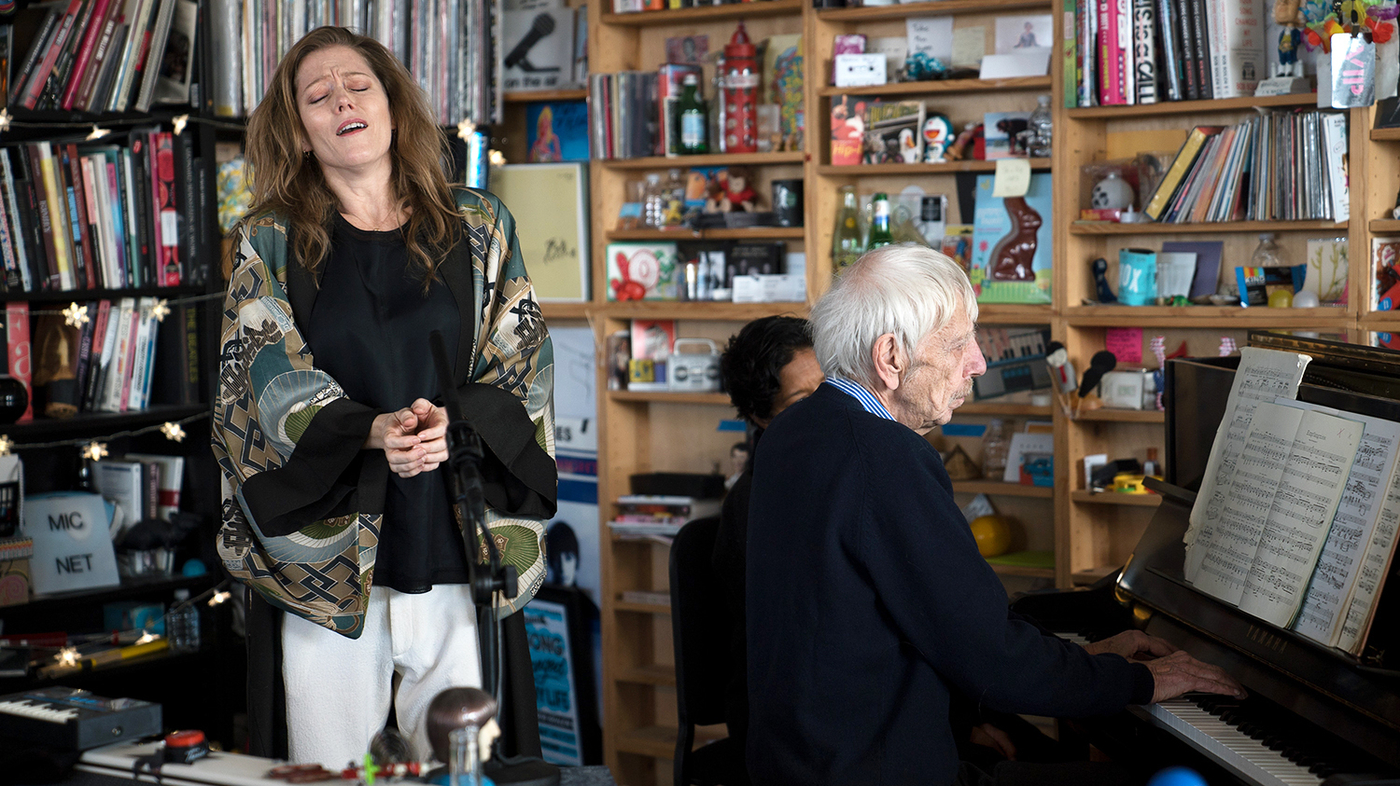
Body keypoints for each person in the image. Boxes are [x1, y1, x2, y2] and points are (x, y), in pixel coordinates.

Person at [745, 245, 1245, 786]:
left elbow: (927, 625)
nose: (979, 363)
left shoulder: (794, 432)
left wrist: (1087, 656)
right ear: (891, 358)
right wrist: (1140, 682)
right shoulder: (885, 460)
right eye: (960, 342)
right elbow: (991, 661)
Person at [211, 26, 557, 767]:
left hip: (456, 540)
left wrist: (450, 426)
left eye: (358, 85)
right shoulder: (266, 240)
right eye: (318, 95)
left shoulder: (480, 224)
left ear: (394, 107)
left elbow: (520, 355)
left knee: (457, 771)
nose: (342, 100)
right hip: (327, 566)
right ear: (300, 132)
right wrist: (371, 431)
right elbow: (258, 376)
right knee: (332, 775)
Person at [711, 315, 824, 783]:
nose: (828, 408)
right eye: (803, 401)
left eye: (832, 387)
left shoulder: (830, 471)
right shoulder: (763, 500)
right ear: (761, 416)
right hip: (794, 729)